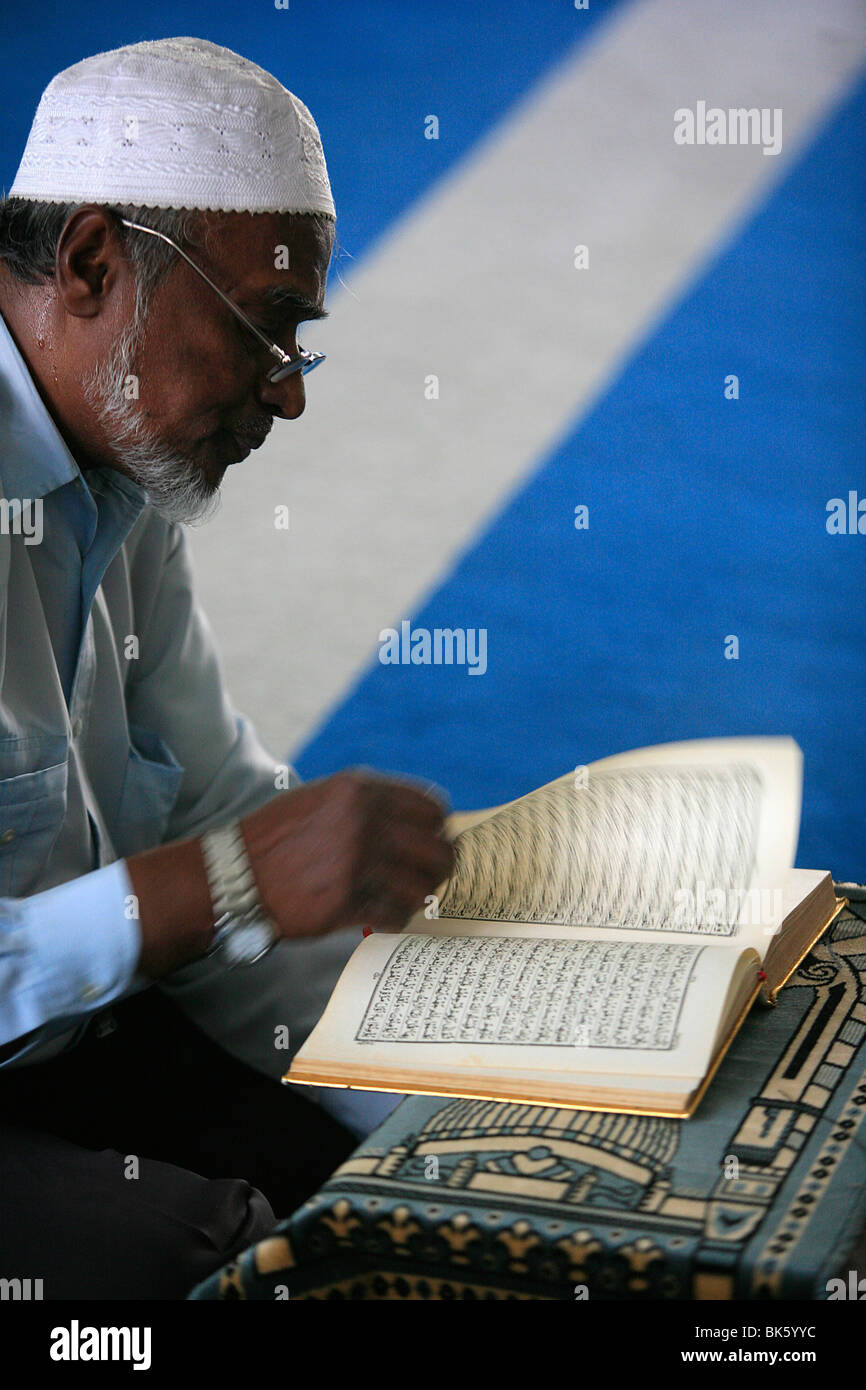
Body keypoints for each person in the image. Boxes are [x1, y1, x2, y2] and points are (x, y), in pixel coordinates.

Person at [0, 36, 453, 1299]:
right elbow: (220, 873)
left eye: (296, 340)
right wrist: (209, 886)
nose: (287, 394)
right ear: (93, 264)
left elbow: (209, 804)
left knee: (378, 1192)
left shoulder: (117, 476)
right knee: (202, 1264)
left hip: (58, 1035)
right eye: (262, 330)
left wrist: (449, 1078)